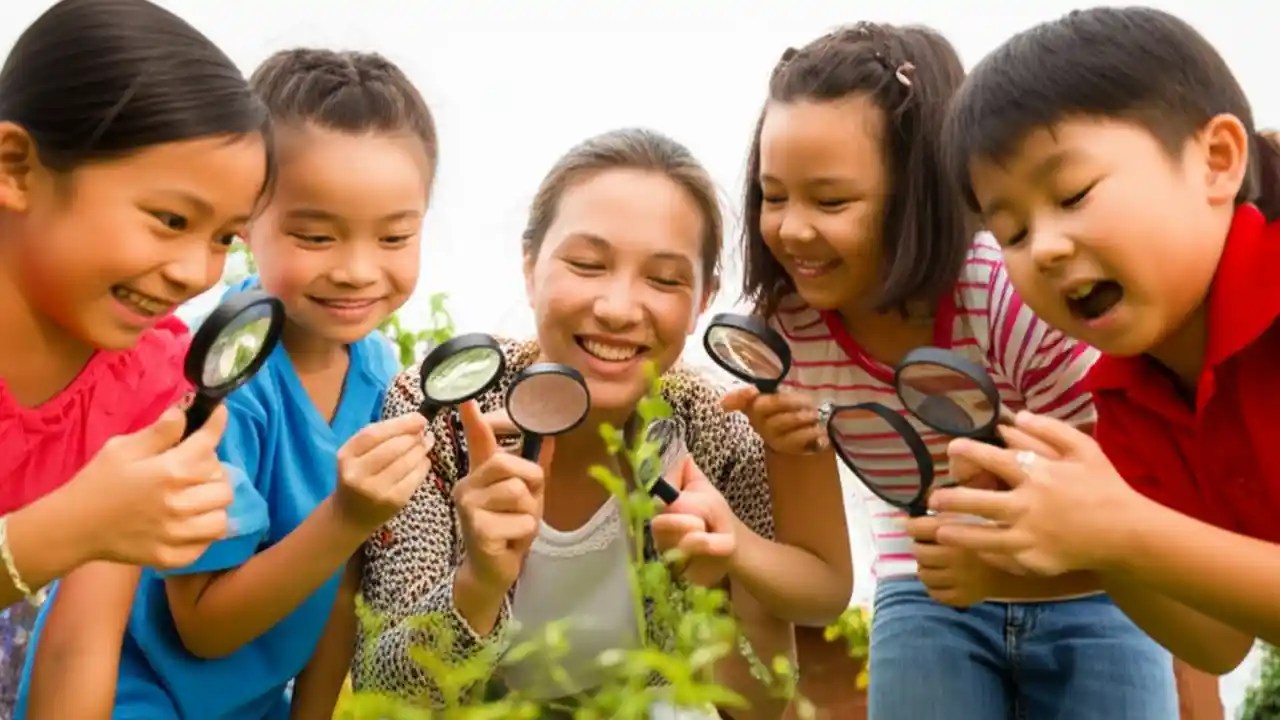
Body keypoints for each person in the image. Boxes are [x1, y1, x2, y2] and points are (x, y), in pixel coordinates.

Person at [731, 22, 1176, 720]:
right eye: (774, 195)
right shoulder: (793, 331)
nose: (791, 229)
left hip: (1093, 588)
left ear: (917, 193)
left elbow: (1143, 522)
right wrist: (795, 442)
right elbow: (820, 574)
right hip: (928, 585)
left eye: (831, 200)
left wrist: (1000, 562)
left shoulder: (1013, 303)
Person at [354, 127, 848, 717]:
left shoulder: (718, 435)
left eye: (665, 279)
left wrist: (723, 584)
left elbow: (758, 704)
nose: (617, 309)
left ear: (701, 300)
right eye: (587, 264)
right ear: (530, 266)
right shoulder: (438, 416)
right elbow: (384, 691)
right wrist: (478, 582)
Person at [17, 47, 438, 719]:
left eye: (393, 239)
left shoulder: (378, 371)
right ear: (247, 222)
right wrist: (345, 519)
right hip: (134, 695)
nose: (359, 270)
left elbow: (344, 576)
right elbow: (204, 626)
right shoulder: (216, 380)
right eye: (316, 236)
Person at [925, 4, 1280, 680]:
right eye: (1014, 234)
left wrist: (1121, 528)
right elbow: (1217, 642)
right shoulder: (1122, 404)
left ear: (1216, 161)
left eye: (1073, 192)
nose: (1048, 249)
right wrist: (1086, 531)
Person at [0, 0, 272, 715]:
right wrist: (75, 523)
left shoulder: (147, 386)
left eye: (225, 239)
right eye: (172, 220)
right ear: (17, 168)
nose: (195, 272)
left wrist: (95, 525)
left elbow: (76, 647)